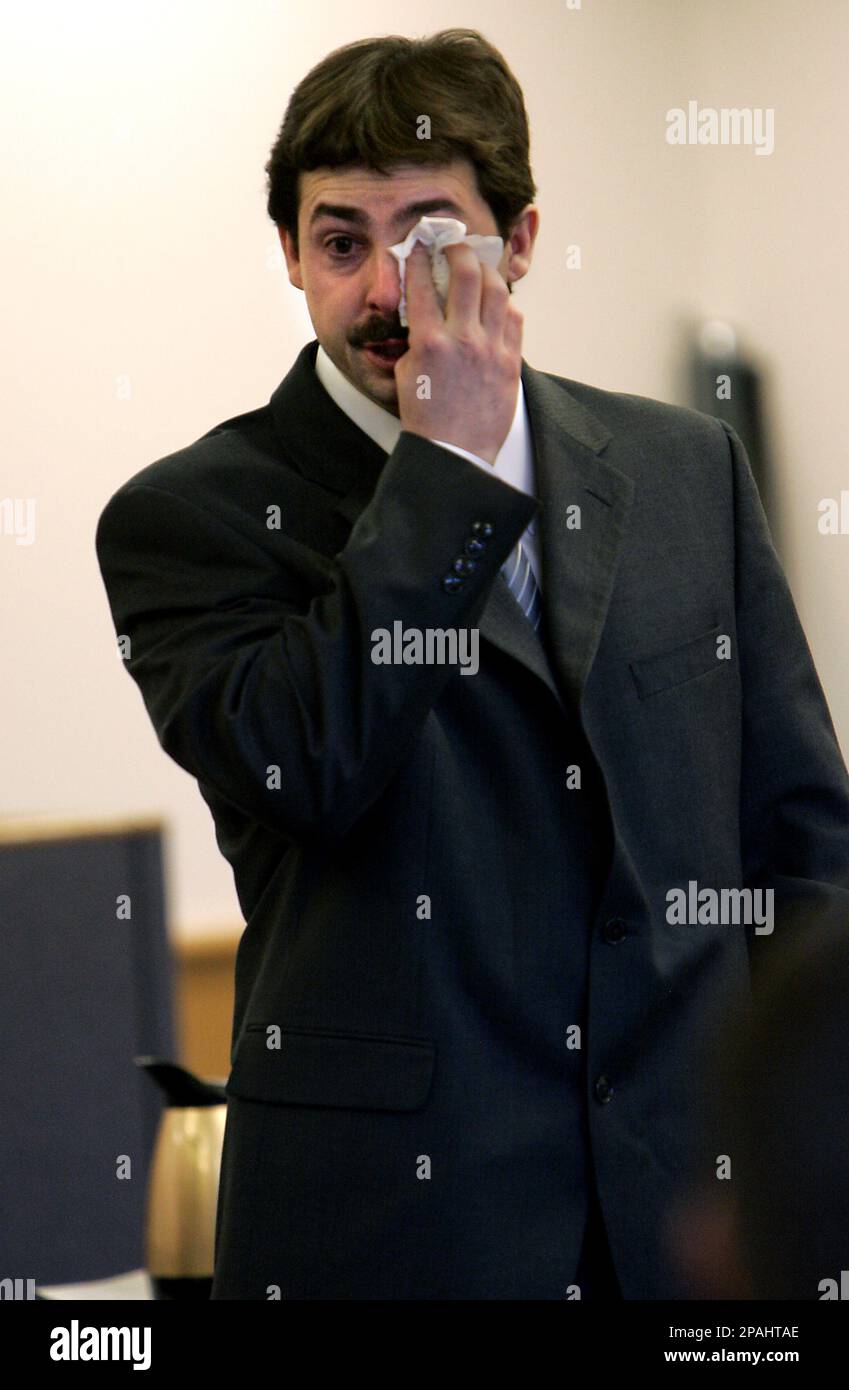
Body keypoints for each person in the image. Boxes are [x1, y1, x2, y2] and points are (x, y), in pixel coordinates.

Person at [94, 29, 849, 1300]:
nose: (388, 291)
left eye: (433, 237)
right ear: (289, 253)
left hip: (692, 1224)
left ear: (524, 241)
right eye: (342, 241)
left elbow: (803, 852)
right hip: (396, 1241)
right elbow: (312, 761)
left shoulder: (681, 470)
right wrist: (444, 470)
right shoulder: (190, 518)